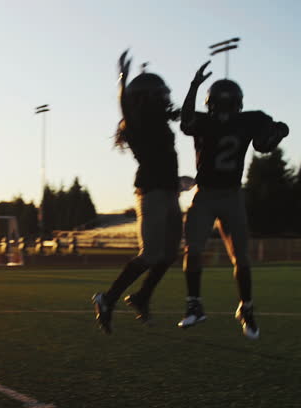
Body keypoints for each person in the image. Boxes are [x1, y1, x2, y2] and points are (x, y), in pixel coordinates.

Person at [177, 64, 289, 339]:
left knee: (224, 254)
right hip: (215, 194)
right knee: (222, 254)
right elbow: (265, 144)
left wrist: (193, 85)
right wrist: (279, 132)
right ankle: (223, 307)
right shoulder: (249, 119)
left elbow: (186, 121)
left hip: (220, 195)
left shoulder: (208, 121)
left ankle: (222, 306)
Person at [91, 50, 189, 334]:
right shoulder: (137, 123)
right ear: (146, 98)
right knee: (150, 254)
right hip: (151, 193)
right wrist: (123, 79)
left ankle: (141, 296)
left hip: (169, 192)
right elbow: (125, 105)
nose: (165, 98)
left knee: (170, 253)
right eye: (159, 94)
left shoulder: (157, 121)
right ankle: (107, 298)